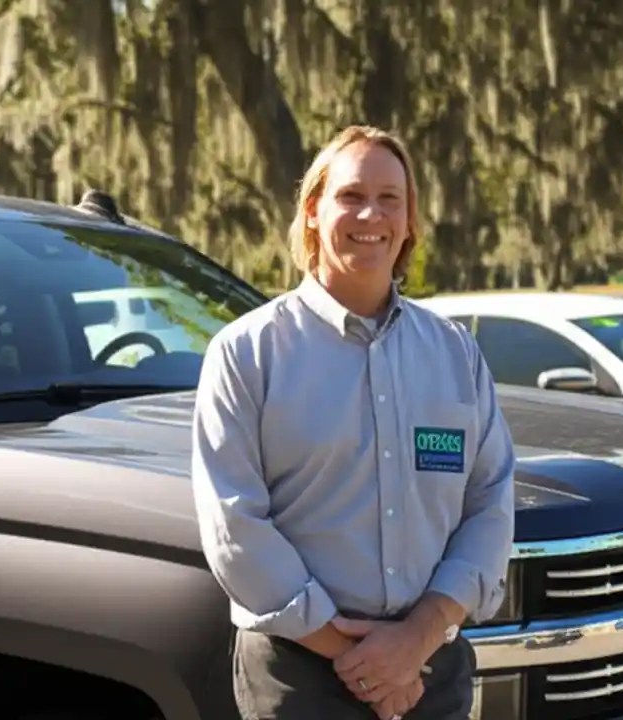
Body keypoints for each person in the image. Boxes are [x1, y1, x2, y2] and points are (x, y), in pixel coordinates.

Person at [191, 125, 516, 720]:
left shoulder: (454, 353)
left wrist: (416, 638)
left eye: (390, 198)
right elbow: (234, 528)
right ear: (312, 212)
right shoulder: (247, 354)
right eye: (350, 195)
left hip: (431, 673)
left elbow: (490, 503)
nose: (371, 214)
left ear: (410, 220)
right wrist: (358, 658)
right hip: (301, 676)